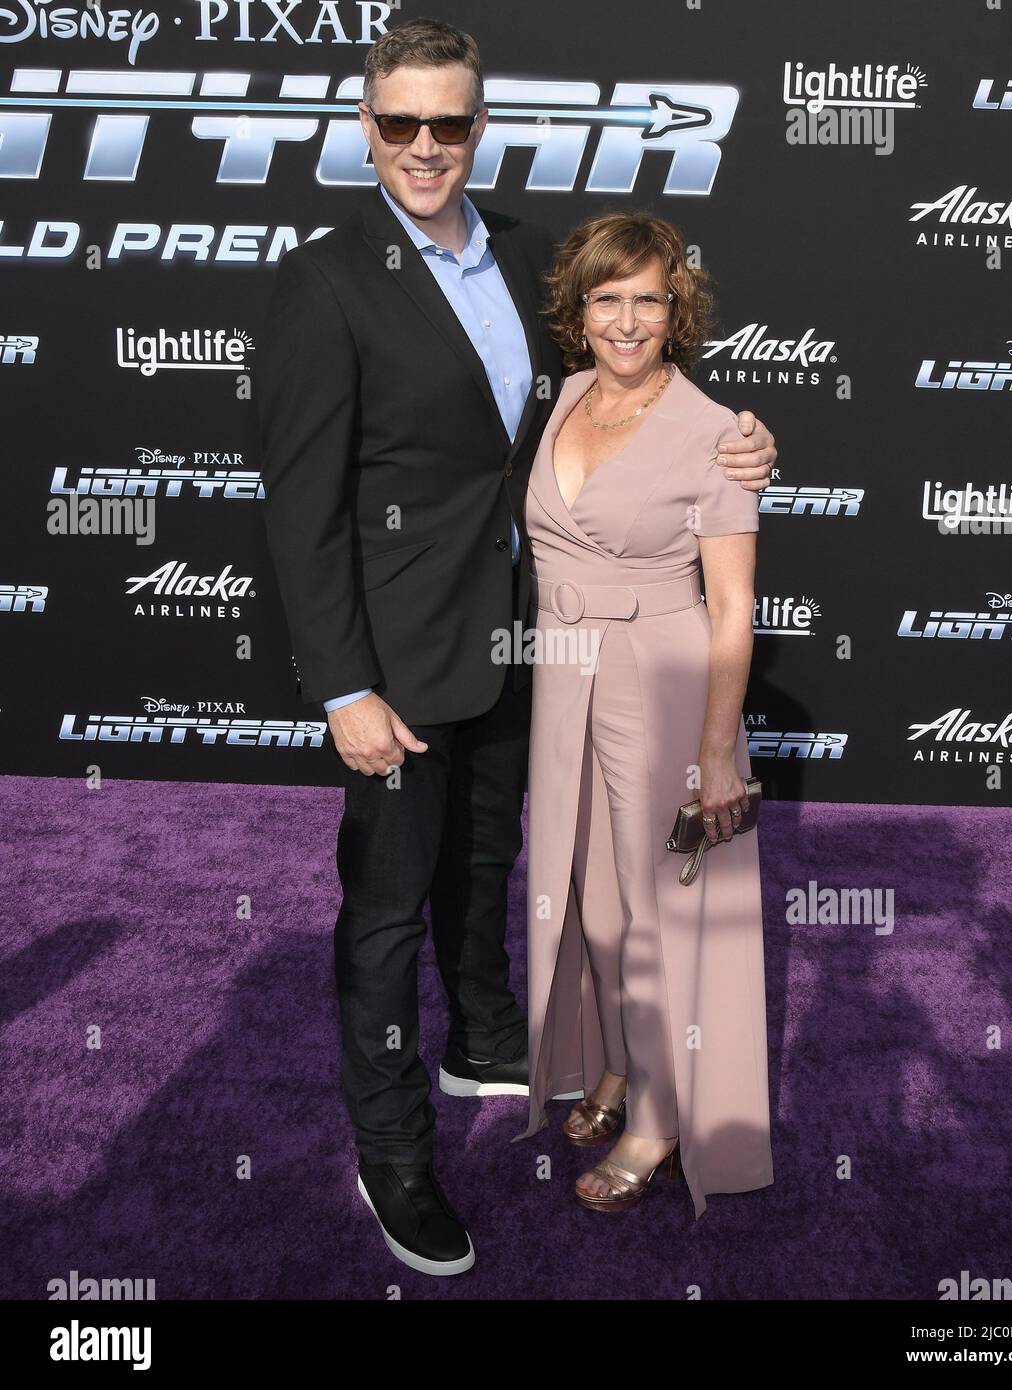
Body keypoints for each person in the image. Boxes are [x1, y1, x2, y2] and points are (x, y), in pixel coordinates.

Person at [256, 18, 777, 1275]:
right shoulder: (324, 282)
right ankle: (393, 1151)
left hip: (521, 653)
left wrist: (741, 442)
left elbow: (628, 378)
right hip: (393, 671)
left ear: (478, 126)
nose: (426, 145)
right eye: (400, 124)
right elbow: (300, 505)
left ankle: (483, 1036)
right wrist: (343, 685)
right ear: (366, 129)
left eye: (449, 122)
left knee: (486, 870)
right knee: (383, 913)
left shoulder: (534, 260)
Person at [511, 211, 775, 1218]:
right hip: (564, 672)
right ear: (578, 310)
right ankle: (614, 1065)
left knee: (659, 914)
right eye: (606, 298)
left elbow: (734, 606)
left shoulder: (717, 435)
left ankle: (661, 1121)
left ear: (678, 310)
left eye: (648, 300)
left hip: (660, 681)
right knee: (593, 903)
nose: (626, 320)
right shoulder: (569, 392)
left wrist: (715, 751)